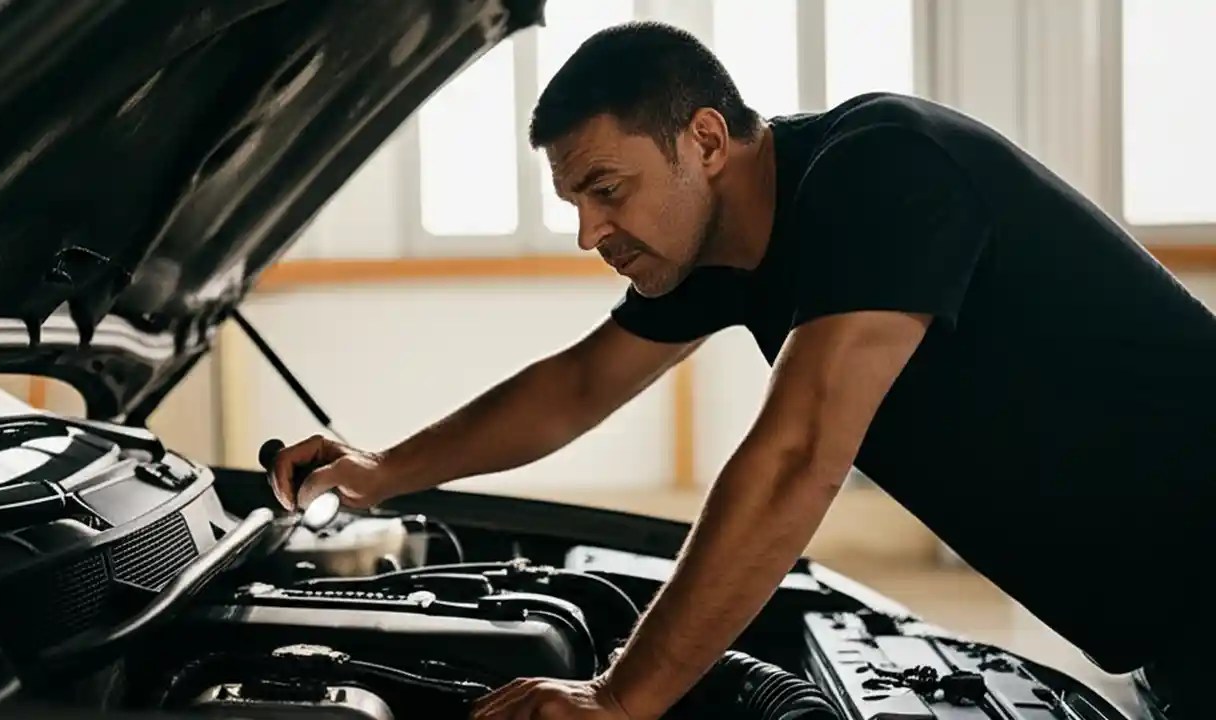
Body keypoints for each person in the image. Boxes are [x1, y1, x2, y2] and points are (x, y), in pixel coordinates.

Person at [267, 21, 1215, 720]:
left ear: (707, 142)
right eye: (575, 203)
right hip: (1171, 635)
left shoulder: (885, 170)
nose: (591, 231)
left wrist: (620, 698)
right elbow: (578, 385)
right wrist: (384, 471)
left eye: (608, 190)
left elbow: (802, 450)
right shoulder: (728, 253)